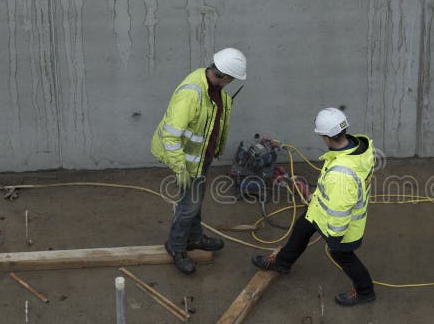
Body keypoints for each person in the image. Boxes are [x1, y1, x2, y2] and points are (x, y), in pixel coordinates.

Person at [252, 108, 376, 306]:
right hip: (320, 210)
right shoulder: (358, 147)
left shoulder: (341, 173)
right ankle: (283, 263)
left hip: (340, 226)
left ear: (326, 137)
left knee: (342, 255)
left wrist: (335, 238)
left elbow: (340, 210)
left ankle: (365, 291)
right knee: (302, 228)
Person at [151, 48, 247, 274]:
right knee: (188, 205)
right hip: (186, 160)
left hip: (202, 156)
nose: (231, 82)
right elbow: (171, 134)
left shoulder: (215, 88)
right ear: (225, 75)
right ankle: (175, 246)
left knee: (195, 199)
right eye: (231, 79)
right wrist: (179, 168)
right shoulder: (192, 93)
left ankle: (194, 238)